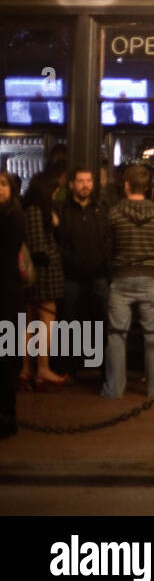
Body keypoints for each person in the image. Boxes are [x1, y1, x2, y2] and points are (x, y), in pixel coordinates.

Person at [102, 164, 154, 399]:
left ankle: (114, 388)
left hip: (121, 277)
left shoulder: (115, 212)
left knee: (117, 335)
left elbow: (108, 245)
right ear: (148, 186)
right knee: (153, 335)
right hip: (150, 277)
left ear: (126, 185)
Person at [56, 165, 110, 382]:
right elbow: (57, 242)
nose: (85, 185)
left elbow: (108, 240)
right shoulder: (62, 209)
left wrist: (104, 263)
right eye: (80, 181)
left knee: (103, 321)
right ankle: (68, 367)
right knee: (68, 323)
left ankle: (104, 369)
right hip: (70, 275)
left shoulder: (101, 209)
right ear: (72, 185)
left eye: (89, 181)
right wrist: (69, 260)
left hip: (98, 275)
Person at [21, 161, 68, 389]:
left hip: (36, 275)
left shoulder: (31, 208)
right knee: (44, 320)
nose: (57, 193)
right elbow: (39, 247)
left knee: (30, 321)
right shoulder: (36, 211)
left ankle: (26, 369)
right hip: (43, 274)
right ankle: (41, 368)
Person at [0, 172, 27, 437]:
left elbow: (8, 254)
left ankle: (7, 416)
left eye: (2, 184)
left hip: (7, 298)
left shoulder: (14, 216)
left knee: (7, 361)